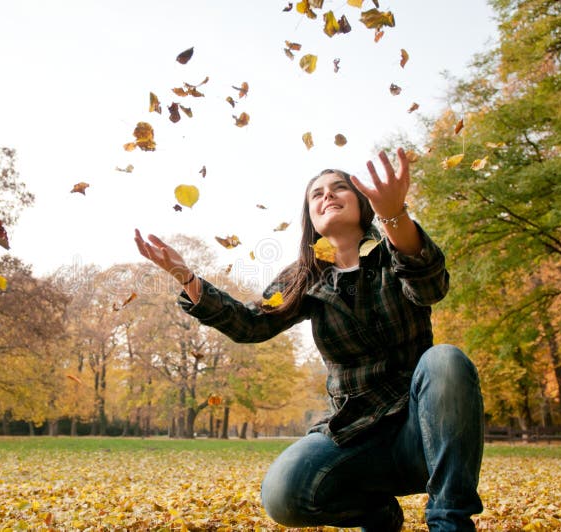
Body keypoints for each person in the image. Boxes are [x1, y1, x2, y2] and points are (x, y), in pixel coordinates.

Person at [134, 148, 484, 531]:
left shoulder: (395, 250)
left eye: (338, 188)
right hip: (356, 431)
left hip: (421, 431)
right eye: (316, 194)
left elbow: (430, 286)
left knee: (446, 359)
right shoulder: (304, 276)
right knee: (283, 493)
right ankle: (378, 514)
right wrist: (188, 279)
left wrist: (394, 215)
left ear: (363, 202)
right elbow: (252, 324)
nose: (326, 196)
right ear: (311, 217)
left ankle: (450, 522)